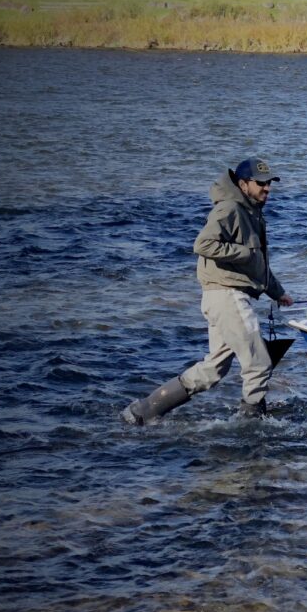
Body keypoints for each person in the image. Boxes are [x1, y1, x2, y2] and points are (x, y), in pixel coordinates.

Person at [124, 157, 293, 424]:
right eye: (261, 183)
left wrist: (277, 292)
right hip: (228, 295)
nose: (267, 188)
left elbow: (256, 262)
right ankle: (253, 432)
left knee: (213, 371)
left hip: (221, 297)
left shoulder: (252, 212)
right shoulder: (229, 209)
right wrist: (243, 253)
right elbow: (202, 245)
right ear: (243, 183)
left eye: (270, 183)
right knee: (259, 364)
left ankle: (141, 413)